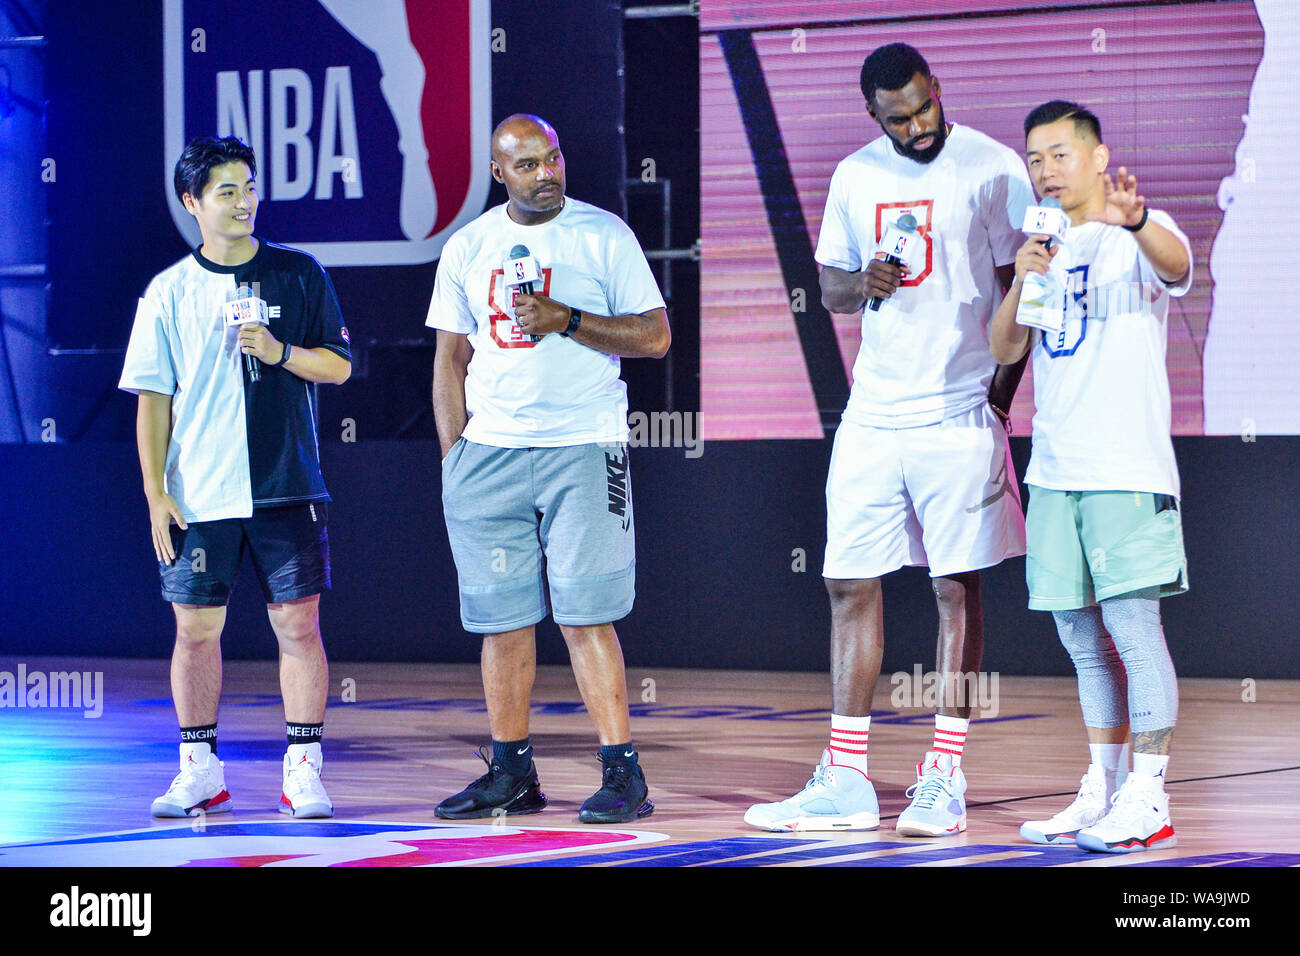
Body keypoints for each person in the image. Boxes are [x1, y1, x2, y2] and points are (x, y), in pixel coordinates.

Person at [745, 43, 1032, 836]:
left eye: (924, 109)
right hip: (871, 412)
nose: (915, 128)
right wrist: (861, 281)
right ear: (873, 113)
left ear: (939, 88)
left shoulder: (994, 165)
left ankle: (944, 774)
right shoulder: (854, 175)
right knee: (848, 583)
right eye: (897, 119)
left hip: (958, 411)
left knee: (955, 588)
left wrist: (998, 405)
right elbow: (832, 286)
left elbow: (1025, 296)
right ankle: (845, 778)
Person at [427, 114, 670, 824]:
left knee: (585, 616)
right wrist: (456, 459)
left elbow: (653, 337)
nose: (546, 173)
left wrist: (567, 319)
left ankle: (623, 775)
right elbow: (449, 359)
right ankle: (511, 775)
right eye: (527, 165)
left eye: (553, 158)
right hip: (490, 457)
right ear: (499, 173)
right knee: (502, 623)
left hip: (583, 447)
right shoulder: (469, 246)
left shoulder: (603, 234)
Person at [119, 136, 352, 819]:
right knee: (195, 628)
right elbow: (152, 402)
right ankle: (199, 770)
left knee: (297, 626)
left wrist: (279, 352)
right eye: (227, 190)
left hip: (286, 484)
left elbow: (338, 366)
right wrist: (157, 493)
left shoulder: (299, 274)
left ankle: (303, 770)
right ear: (192, 202)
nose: (244, 201)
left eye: (249, 187)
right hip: (200, 490)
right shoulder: (167, 292)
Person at [990, 101, 1191, 853]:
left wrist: (1134, 223)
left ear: (1098, 157)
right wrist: (1022, 278)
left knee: (1134, 631)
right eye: (1034, 159)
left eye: (1059, 154)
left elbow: (1177, 267)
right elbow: (1006, 346)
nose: (1045, 169)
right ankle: (1103, 786)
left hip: (1124, 466)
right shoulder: (1041, 242)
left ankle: (1149, 793)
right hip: (1056, 470)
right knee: (1079, 637)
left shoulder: (1137, 230)